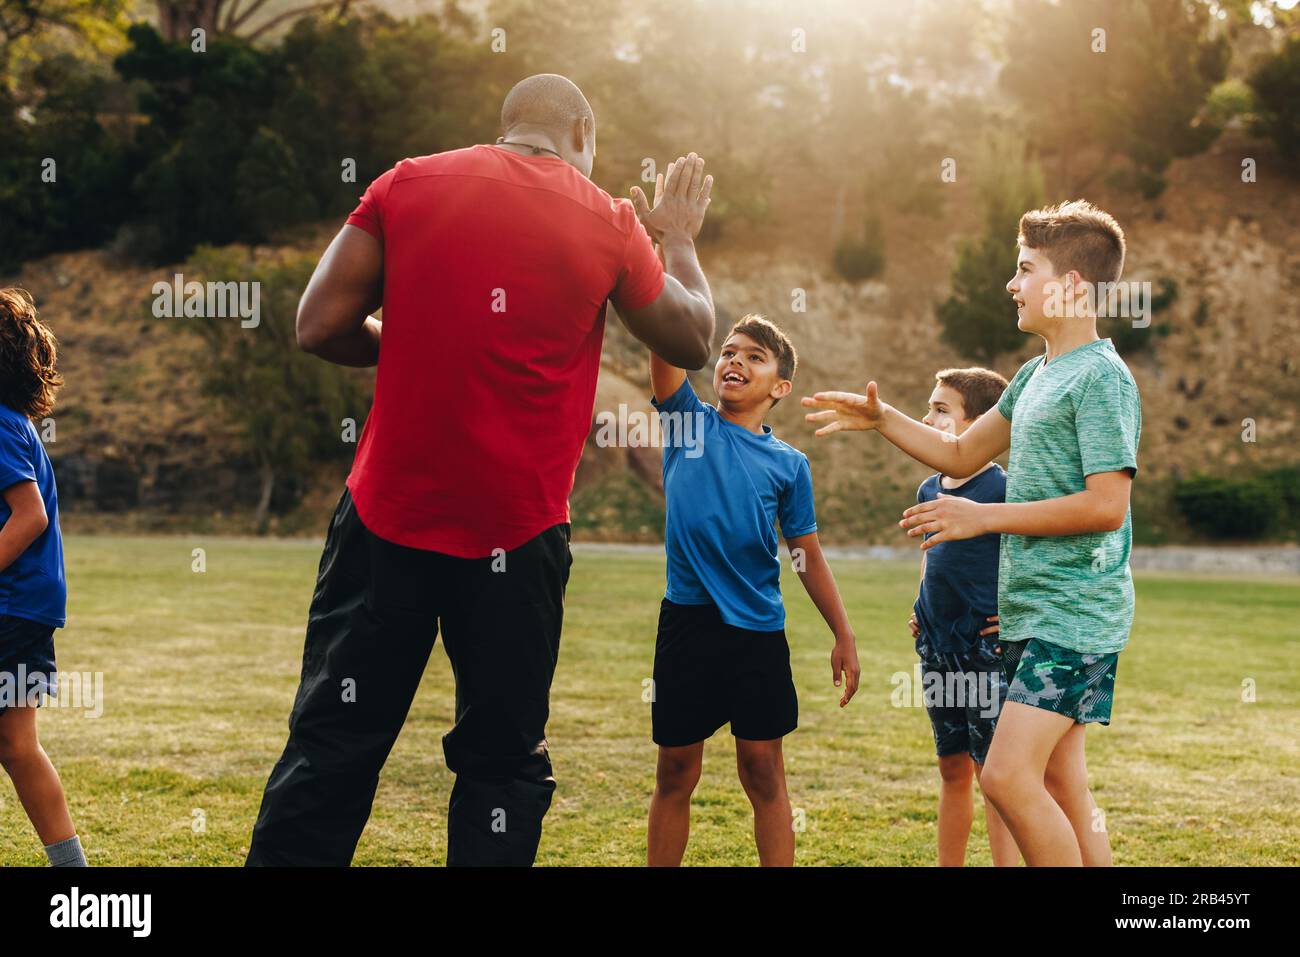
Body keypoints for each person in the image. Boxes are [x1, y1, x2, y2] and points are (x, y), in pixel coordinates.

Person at [247, 73, 717, 866]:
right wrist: (680, 239)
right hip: (517, 538)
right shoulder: (608, 221)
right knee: (502, 766)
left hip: (384, 522)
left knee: (329, 749)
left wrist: (403, 341)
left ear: (507, 127)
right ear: (583, 133)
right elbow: (694, 337)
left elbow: (319, 323)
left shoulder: (409, 183)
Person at [803, 200, 1140, 866]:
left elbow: (1106, 505)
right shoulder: (1034, 375)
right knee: (1060, 779)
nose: (1012, 286)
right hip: (1032, 612)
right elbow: (960, 454)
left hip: (1073, 616)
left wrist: (982, 516)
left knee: (1006, 775)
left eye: (1025, 270)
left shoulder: (1102, 378)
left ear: (1072, 284)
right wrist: (885, 418)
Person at [645, 314, 860, 867]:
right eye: (729, 351)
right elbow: (663, 336)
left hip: (757, 634)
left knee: (762, 772)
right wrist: (668, 255)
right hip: (687, 625)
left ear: (780, 387)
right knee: (674, 771)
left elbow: (805, 553)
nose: (735, 360)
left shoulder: (789, 465)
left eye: (754, 357)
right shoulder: (687, 423)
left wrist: (843, 632)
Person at [906, 367, 1018, 866]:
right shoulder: (929, 489)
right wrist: (920, 605)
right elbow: (932, 555)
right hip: (937, 649)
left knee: (992, 777)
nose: (926, 417)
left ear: (978, 427)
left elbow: (1029, 560)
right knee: (951, 769)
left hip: (985, 652)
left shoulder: (1004, 490)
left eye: (940, 410)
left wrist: (1014, 617)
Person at [0, 287, 85, 867]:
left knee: (17, 745)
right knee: (16, 745)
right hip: (27, 609)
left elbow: (29, 517)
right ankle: (72, 872)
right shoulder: (13, 423)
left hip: (9, 607)